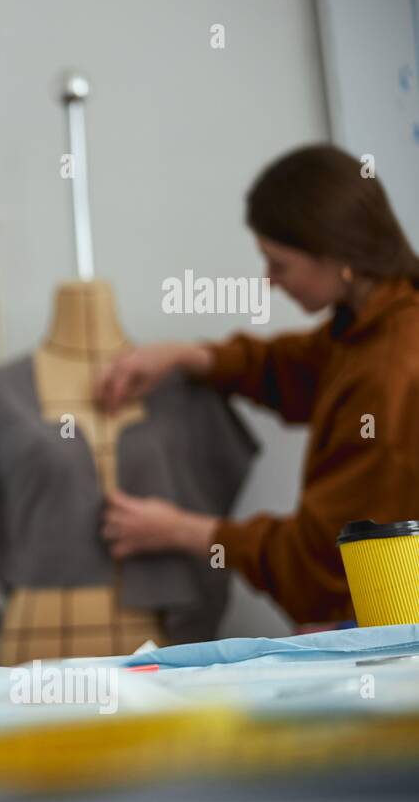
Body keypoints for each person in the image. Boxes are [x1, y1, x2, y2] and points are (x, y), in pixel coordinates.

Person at [97, 145, 419, 626]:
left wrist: (184, 531)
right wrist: (191, 356)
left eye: (279, 264)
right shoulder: (378, 322)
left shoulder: (388, 372)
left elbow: (324, 560)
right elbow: (296, 366)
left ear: (337, 255)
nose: (269, 282)